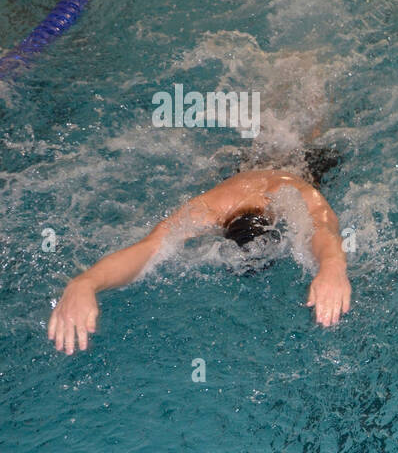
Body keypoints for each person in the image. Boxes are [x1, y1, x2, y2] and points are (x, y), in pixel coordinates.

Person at [48, 149, 350, 355]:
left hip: (298, 170)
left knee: (296, 142)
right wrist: (84, 283)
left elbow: (324, 232)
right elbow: (146, 251)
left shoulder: (297, 196)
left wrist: (333, 267)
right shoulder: (212, 207)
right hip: (270, 168)